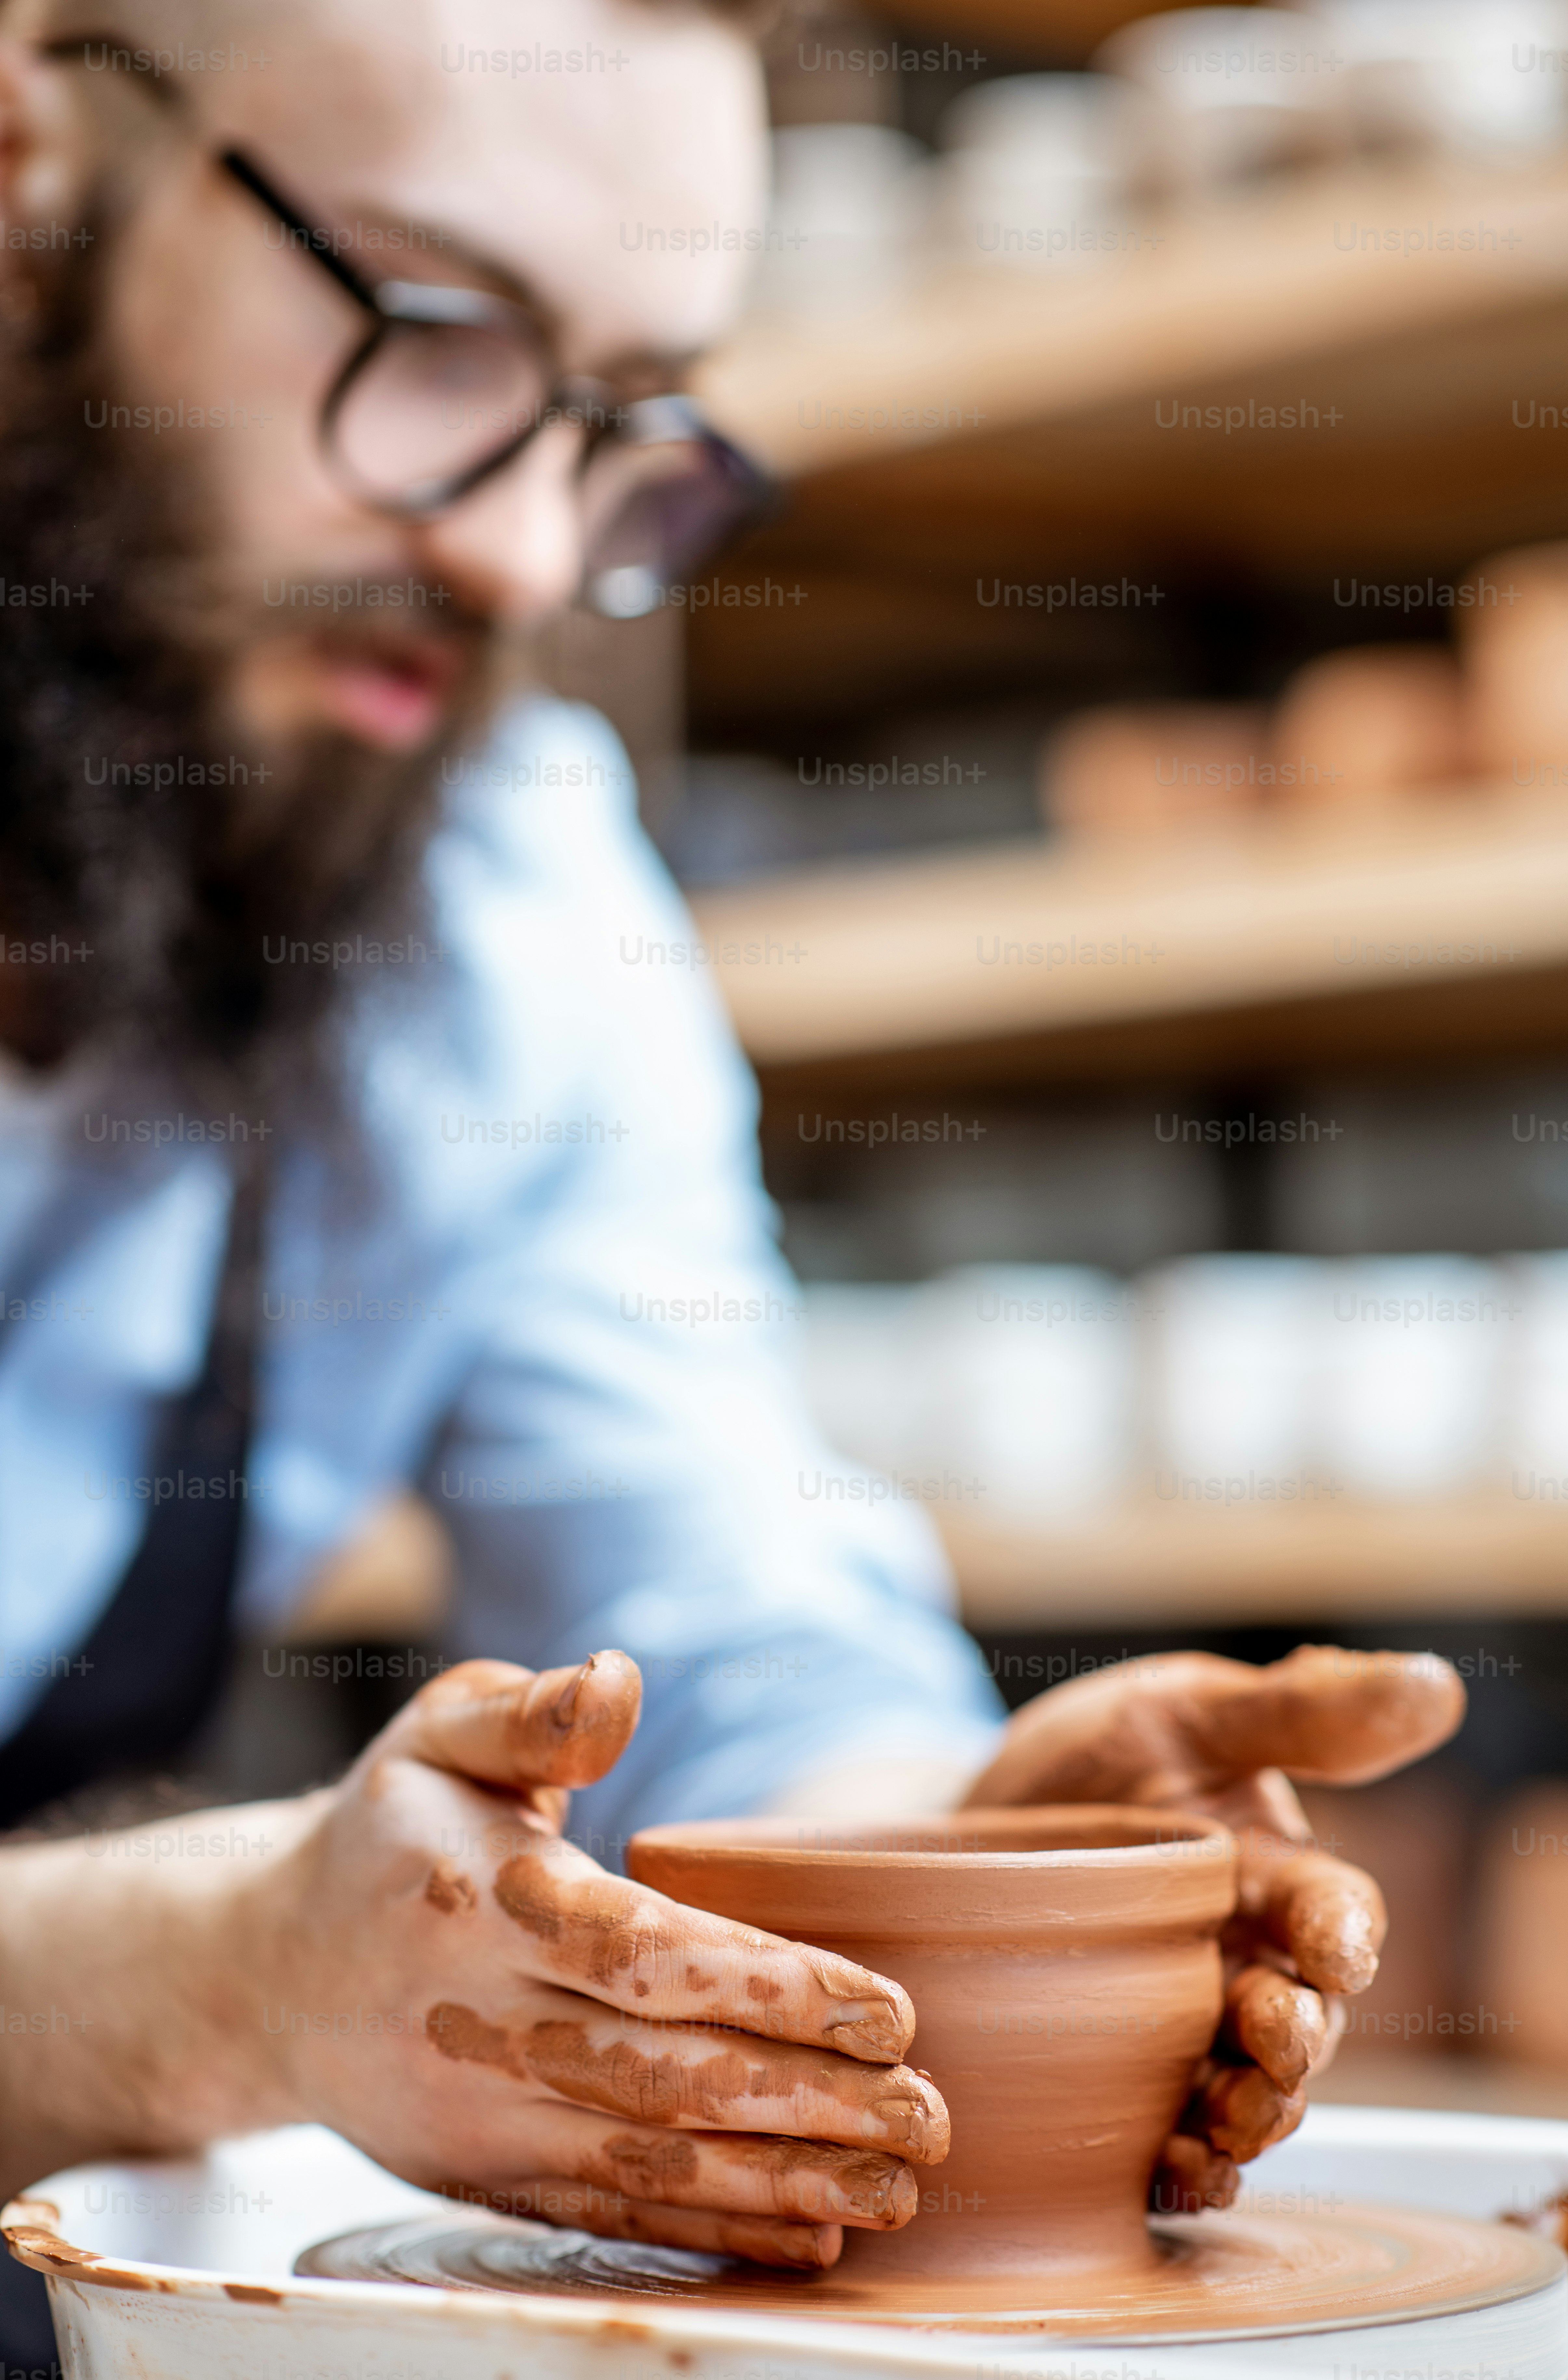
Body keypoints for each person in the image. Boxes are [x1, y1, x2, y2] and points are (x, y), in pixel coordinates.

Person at [0, 0, 1463, 2361]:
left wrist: (957, 1849)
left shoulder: (488, 899)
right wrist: (211, 1979)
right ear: (29, 170)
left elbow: (725, 1610)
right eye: (434, 335)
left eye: (615, 425)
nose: (513, 551)